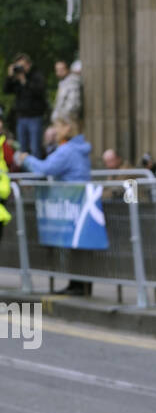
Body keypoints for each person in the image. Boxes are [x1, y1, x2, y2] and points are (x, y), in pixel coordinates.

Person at [17, 116, 96, 294]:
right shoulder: (79, 148)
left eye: (57, 126)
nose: (54, 130)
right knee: (78, 245)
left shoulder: (67, 150)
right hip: (79, 201)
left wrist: (27, 158)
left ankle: (78, 286)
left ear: (68, 128)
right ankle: (80, 285)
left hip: (70, 201)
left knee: (73, 245)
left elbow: (45, 168)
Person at [3, 54, 48, 156]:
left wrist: (24, 81)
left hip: (35, 117)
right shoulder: (16, 78)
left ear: (29, 65)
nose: (20, 68)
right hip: (21, 118)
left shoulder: (36, 76)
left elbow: (39, 92)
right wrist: (10, 77)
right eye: (18, 66)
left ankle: (36, 172)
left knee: (34, 147)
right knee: (22, 148)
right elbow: (6, 90)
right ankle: (24, 171)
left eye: (22, 66)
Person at [53, 60, 84, 124]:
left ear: (67, 69)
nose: (59, 72)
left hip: (68, 122)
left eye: (62, 69)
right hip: (62, 121)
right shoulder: (63, 82)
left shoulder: (72, 82)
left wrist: (61, 118)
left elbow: (73, 104)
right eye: (57, 69)